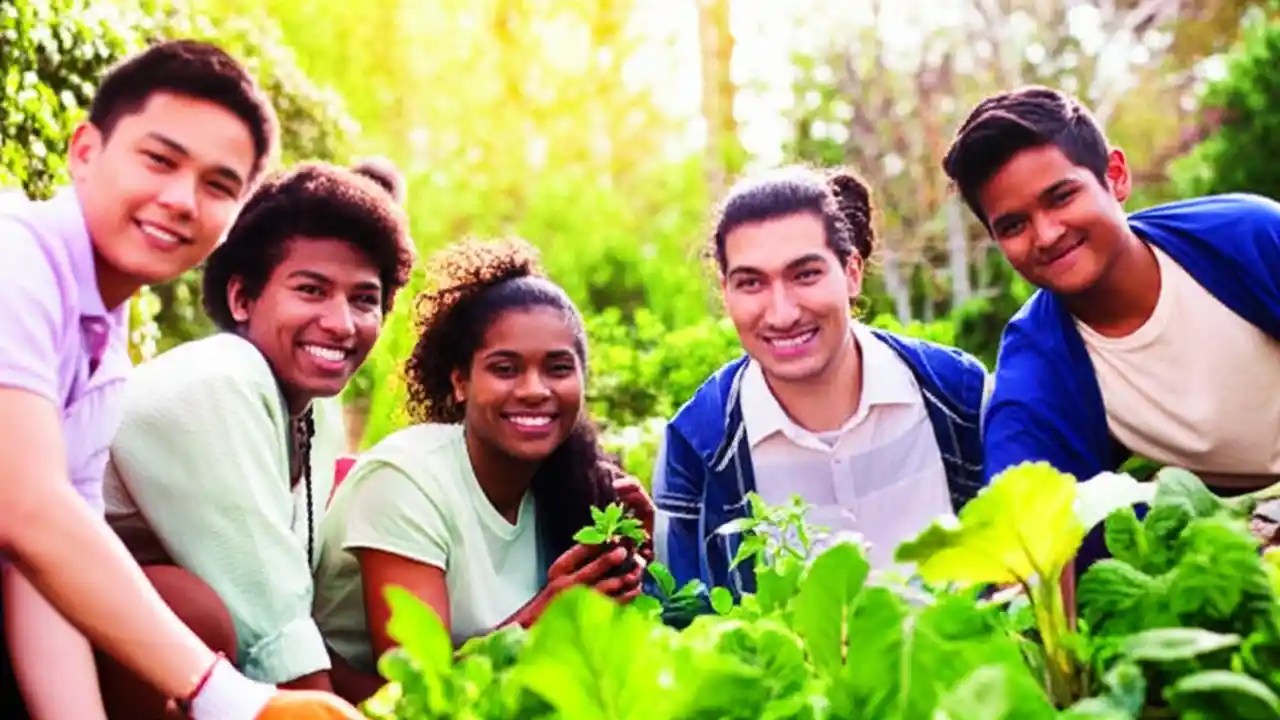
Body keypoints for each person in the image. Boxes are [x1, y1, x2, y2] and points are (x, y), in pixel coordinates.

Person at [0, 39, 360, 719]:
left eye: (218, 185)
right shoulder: (14, 258)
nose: (180, 200)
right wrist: (234, 698)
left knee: (179, 605)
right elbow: (27, 510)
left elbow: (41, 571)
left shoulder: (103, 351)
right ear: (84, 152)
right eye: (159, 160)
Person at [99, 159, 415, 716]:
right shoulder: (216, 380)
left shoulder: (317, 410)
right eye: (311, 290)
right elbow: (273, 629)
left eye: (364, 299)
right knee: (190, 610)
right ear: (242, 298)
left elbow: (299, 619)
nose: (341, 323)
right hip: (42, 630)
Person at [941, 85, 1280, 565]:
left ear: (1115, 176)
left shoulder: (1247, 236)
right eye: (1014, 226)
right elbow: (1020, 526)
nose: (1047, 234)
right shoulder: (1039, 367)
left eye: (1061, 196)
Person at [311, 237, 651, 694]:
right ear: (460, 382)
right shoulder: (406, 481)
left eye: (558, 368)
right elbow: (420, 691)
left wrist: (641, 557)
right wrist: (547, 615)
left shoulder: (567, 482)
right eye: (505, 369)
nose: (534, 390)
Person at [652, 166, 990, 596]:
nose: (782, 314)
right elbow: (683, 615)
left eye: (805, 274)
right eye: (751, 283)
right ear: (725, 291)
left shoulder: (958, 395)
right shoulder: (697, 446)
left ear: (852, 272)